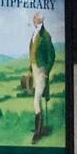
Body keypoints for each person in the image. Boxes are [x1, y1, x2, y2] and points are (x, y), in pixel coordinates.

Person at [28, 12, 55, 142]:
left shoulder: (46, 36)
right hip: (34, 69)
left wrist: (46, 71)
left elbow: (52, 56)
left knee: (37, 99)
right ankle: (38, 126)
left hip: (41, 71)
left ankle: (38, 133)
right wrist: (30, 69)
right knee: (36, 98)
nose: (33, 20)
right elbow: (32, 53)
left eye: (34, 18)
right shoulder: (35, 33)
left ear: (39, 20)